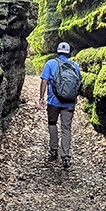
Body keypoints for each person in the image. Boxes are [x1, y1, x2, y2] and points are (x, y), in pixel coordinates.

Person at [39, 41, 82, 170]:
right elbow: (78, 82)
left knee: (52, 123)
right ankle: (66, 156)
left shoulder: (50, 63)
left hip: (53, 101)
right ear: (69, 52)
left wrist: (42, 97)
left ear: (57, 51)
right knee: (66, 128)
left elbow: (44, 81)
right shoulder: (74, 65)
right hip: (69, 102)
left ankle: (53, 150)